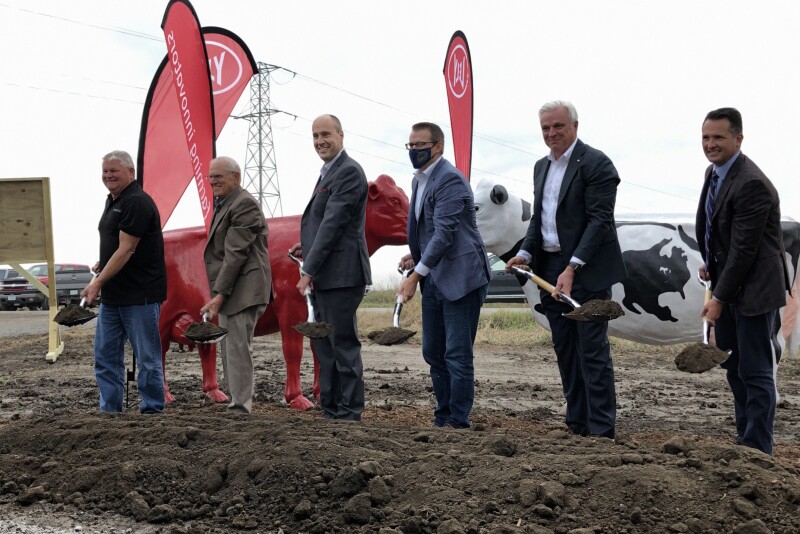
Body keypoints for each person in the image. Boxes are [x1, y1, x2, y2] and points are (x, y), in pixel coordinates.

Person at [506, 101, 626, 439]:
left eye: (558, 126)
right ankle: (578, 423)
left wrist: (573, 266)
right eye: (545, 128)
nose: (551, 133)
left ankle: (601, 430)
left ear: (575, 125)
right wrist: (524, 252)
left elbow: (600, 221)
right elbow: (541, 220)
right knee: (566, 348)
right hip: (549, 268)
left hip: (586, 270)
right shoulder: (541, 167)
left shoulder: (597, 163)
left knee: (592, 349)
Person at [696, 107, 790, 455]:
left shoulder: (752, 184)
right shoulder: (714, 173)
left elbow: (745, 250)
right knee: (734, 366)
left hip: (755, 291)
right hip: (731, 283)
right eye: (706, 137)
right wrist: (711, 263)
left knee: (756, 370)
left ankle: (759, 448)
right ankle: (745, 437)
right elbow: (720, 232)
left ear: (738, 138)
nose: (710, 144)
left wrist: (718, 299)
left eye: (718, 137)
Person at [398, 122, 491, 429]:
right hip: (436, 277)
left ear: (437, 146)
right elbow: (429, 230)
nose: (414, 151)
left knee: (457, 354)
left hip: (462, 278)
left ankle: (458, 421)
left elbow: (445, 233)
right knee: (434, 352)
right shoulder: (419, 181)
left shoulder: (449, 179)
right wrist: (416, 256)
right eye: (410, 146)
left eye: (420, 145)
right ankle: (444, 416)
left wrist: (415, 275)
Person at [289, 114, 371, 421]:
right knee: (325, 347)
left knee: (342, 345)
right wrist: (307, 248)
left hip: (342, 276)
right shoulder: (328, 172)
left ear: (341, 135)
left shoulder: (348, 171)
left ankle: (349, 412)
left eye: (326, 134)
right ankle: (332, 410)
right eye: (315, 136)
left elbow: (334, 223)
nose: (320, 141)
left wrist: (308, 269)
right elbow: (324, 224)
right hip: (327, 275)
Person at [81, 150, 167, 414]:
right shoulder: (113, 200)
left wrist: (96, 283)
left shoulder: (137, 202)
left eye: (114, 171)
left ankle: (152, 411)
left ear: (131, 172)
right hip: (113, 297)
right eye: (105, 171)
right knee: (105, 358)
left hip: (140, 296)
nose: (108, 175)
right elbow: (117, 246)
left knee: (147, 358)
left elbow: (127, 249)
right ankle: (110, 412)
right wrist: (104, 262)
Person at [200, 156, 272, 414]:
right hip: (234, 289)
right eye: (210, 177)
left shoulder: (244, 204)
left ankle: (241, 408)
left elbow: (235, 254)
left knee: (238, 349)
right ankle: (237, 404)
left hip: (244, 290)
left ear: (236, 177)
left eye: (218, 176)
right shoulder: (225, 203)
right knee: (230, 349)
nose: (213, 181)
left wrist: (219, 295)